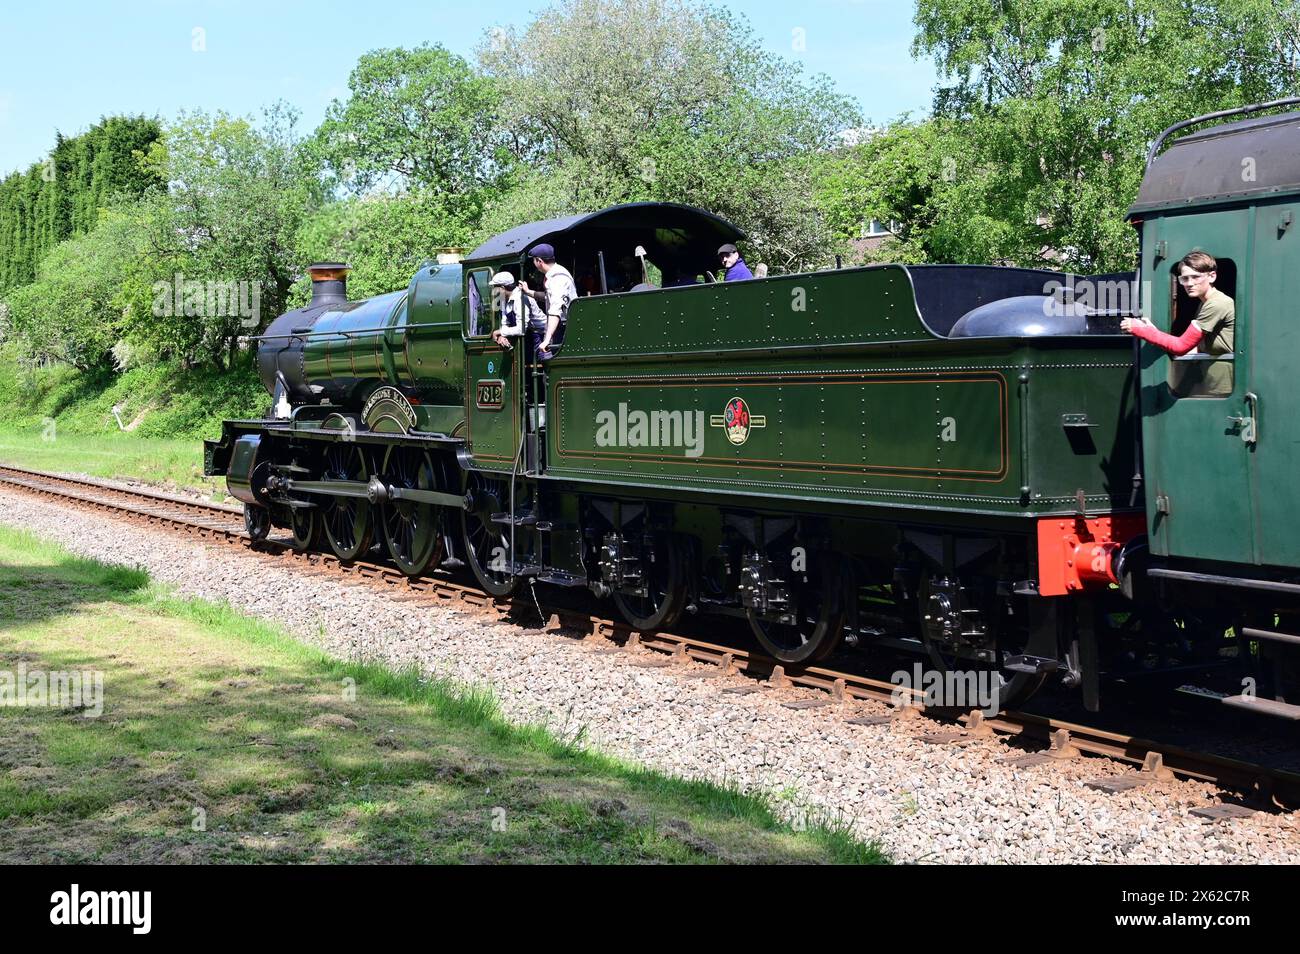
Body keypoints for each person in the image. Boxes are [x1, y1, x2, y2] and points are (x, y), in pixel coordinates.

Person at [1121, 251, 1235, 398]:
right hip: (1211, 383)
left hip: (1222, 388)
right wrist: (1152, 331)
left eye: (1195, 277)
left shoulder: (1217, 304)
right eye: (1184, 279)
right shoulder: (1205, 303)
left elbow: (1181, 346)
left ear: (1212, 276)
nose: (1189, 283)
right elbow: (1194, 348)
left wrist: (1140, 330)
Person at [518, 243, 577, 361]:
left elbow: (555, 310)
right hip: (562, 327)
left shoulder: (557, 279)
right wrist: (528, 292)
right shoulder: (555, 274)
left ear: (539, 261)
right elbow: (548, 296)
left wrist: (546, 339)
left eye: (534, 261)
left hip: (564, 329)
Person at [489, 271, 541, 351]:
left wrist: (499, 332)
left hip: (540, 335)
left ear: (503, 288)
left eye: (495, 288)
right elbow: (505, 323)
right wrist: (502, 336)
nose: (494, 291)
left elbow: (521, 329)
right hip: (528, 337)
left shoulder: (520, 298)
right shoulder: (503, 300)